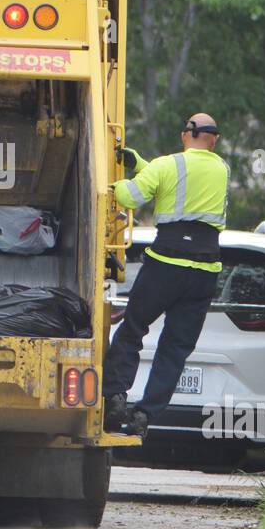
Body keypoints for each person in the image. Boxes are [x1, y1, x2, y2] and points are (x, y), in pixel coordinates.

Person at [105, 113, 230, 436]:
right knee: (175, 347)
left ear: (188, 133)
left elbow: (131, 196)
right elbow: (181, 179)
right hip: (205, 270)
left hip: (166, 263)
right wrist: (140, 164)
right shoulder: (221, 170)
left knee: (133, 327)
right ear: (212, 139)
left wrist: (115, 183)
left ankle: (115, 395)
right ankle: (145, 414)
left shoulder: (167, 164)